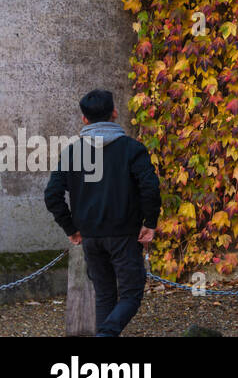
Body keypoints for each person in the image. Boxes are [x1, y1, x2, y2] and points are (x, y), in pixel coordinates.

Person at [45, 90, 161, 338]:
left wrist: (71, 229)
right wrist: (150, 222)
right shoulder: (132, 149)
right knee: (131, 294)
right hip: (124, 236)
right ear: (114, 113)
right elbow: (149, 187)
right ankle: (106, 333)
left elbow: (52, 195)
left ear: (84, 119)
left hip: (91, 238)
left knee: (105, 294)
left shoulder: (73, 153)